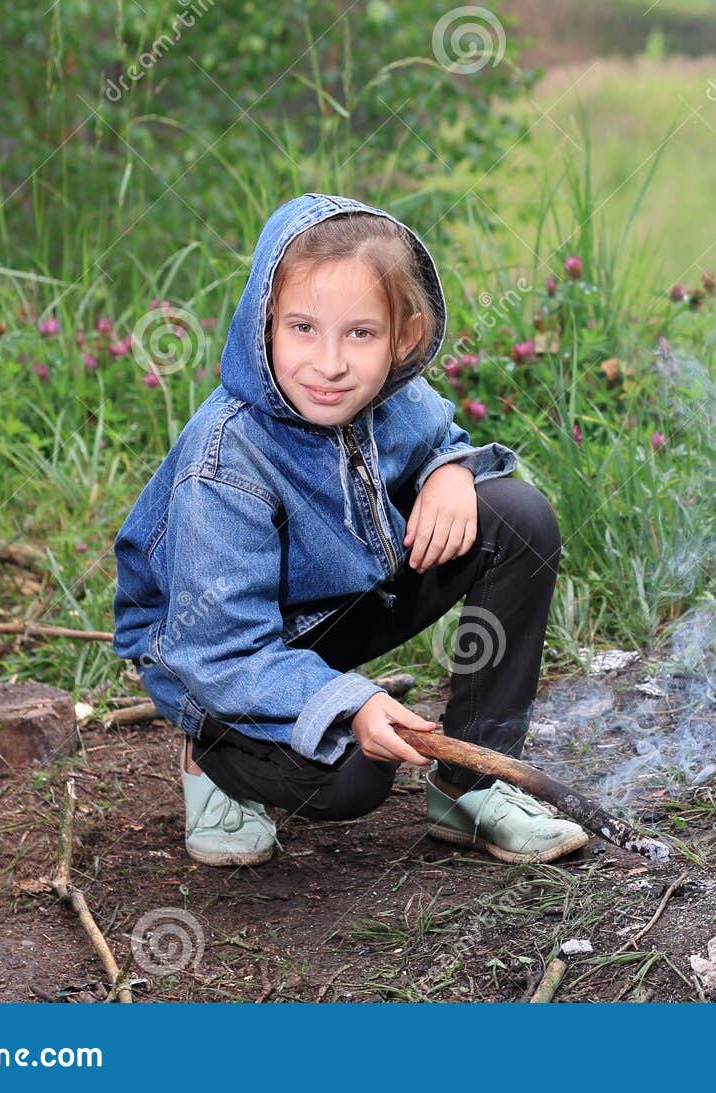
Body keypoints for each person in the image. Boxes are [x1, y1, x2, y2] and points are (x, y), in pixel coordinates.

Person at [111, 193, 588, 868]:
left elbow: (436, 438)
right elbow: (220, 647)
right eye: (303, 328)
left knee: (516, 516)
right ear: (263, 324)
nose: (330, 363)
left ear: (404, 338)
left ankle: (471, 786)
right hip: (218, 660)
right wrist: (351, 701)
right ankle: (214, 756)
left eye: (360, 334)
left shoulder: (386, 394)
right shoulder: (225, 461)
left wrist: (450, 470)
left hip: (333, 608)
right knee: (353, 775)